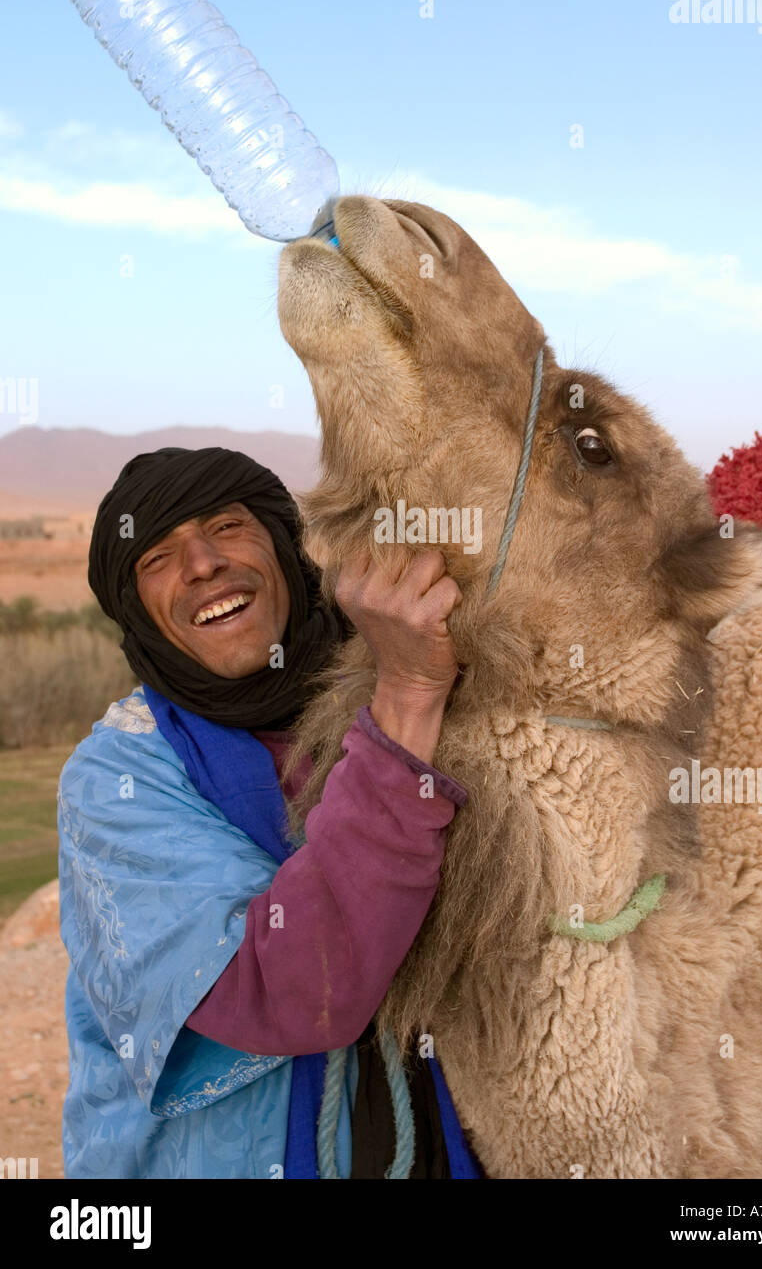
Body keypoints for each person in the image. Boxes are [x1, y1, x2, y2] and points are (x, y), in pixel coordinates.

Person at [58, 446, 482, 1178]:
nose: (201, 564)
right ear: (139, 614)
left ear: (288, 551)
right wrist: (409, 697)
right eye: (158, 557)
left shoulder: (415, 687)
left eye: (226, 526)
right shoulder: (117, 777)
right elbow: (285, 993)